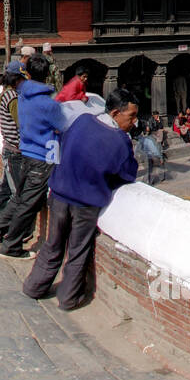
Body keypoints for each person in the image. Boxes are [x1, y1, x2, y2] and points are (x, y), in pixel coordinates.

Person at [25, 89, 143, 310]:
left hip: (59, 193)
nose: (134, 122)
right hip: (86, 203)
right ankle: (69, 299)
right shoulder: (120, 141)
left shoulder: (82, 121)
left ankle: (34, 287)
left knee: (53, 244)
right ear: (116, 112)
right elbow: (128, 173)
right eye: (132, 116)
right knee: (78, 251)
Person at [0, 55, 59, 259]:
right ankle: (11, 245)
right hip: (40, 156)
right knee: (28, 201)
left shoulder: (21, 95)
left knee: (17, 197)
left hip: (24, 152)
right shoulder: (41, 99)